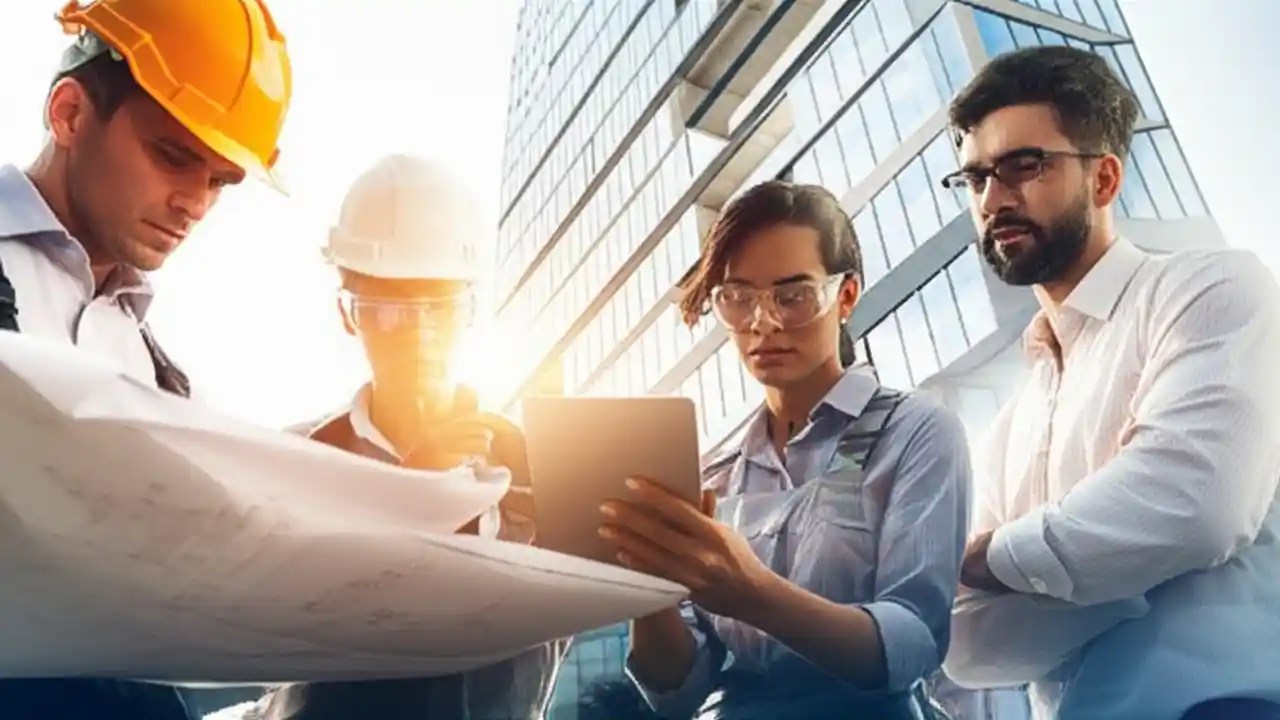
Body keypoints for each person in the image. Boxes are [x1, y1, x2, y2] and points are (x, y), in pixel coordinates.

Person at [938, 45, 1280, 719]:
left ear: (1103, 179)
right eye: (975, 178)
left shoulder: (1210, 289)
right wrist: (1109, 557)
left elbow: (1194, 503)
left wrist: (995, 560)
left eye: (1023, 166)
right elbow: (965, 643)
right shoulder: (1011, 421)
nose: (992, 199)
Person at [0, 0, 292, 717]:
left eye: (221, 180)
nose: (195, 202)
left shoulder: (157, 370)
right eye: (173, 155)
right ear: (69, 113)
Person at [604, 180, 972, 719]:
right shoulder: (715, 472)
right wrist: (649, 584)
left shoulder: (916, 431)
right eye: (738, 298)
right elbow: (675, 693)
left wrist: (750, 593)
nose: (762, 322)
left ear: (846, 295)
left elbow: (911, 645)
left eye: (793, 295)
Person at [251, 154, 565, 720]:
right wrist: (414, 495)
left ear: (470, 314)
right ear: (350, 315)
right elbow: (266, 627)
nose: (418, 334)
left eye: (439, 311)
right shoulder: (293, 460)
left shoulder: (539, 467)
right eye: (390, 310)